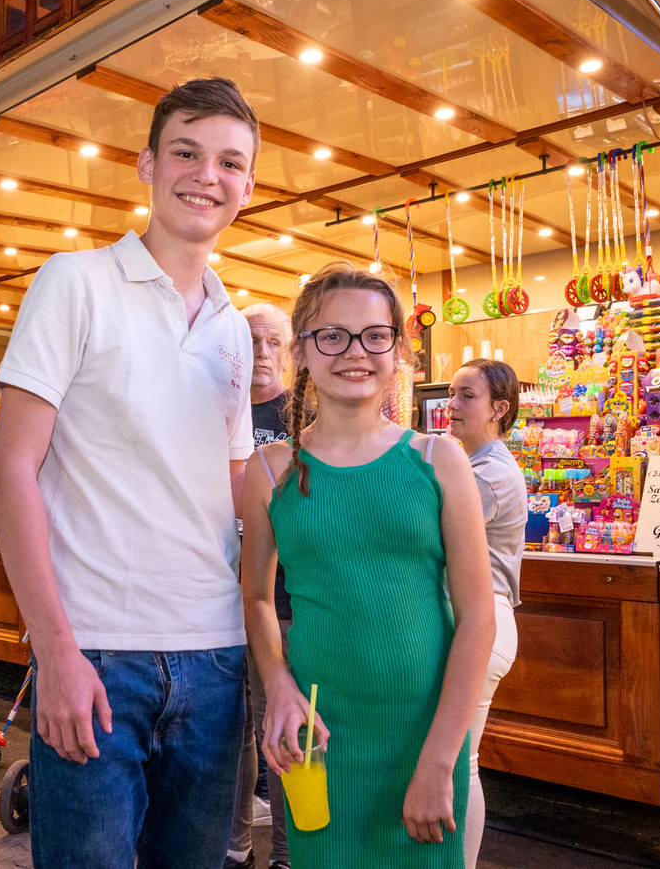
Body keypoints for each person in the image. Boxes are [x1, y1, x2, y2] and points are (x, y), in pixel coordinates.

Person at [0, 76, 258, 869]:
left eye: (230, 162)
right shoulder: (74, 281)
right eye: (186, 152)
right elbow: (11, 472)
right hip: (98, 653)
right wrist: (56, 651)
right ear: (146, 164)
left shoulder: (234, 328)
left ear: (248, 184)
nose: (207, 175)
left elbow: (242, 489)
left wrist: (363, 479)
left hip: (216, 657)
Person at [242, 264, 495, 868]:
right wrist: (276, 685)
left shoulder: (439, 462)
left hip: (421, 734)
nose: (355, 352)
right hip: (319, 734)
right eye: (332, 336)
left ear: (398, 350)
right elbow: (255, 597)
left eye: (374, 336)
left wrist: (441, 758)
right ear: (302, 351)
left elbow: (478, 618)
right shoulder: (271, 470)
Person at [446, 359, 527, 869]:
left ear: (499, 409)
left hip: (482, 622)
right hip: (475, 622)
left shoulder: (490, 474)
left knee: (458, 763)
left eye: (466, 396)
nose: (452, 405)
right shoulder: (471, 464)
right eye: (452, 394)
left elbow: (425, 531)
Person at [228, 302, 294, 869]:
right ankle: (234, 841)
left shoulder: (303, 415)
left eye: (275, 342)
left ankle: (289, 853)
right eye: (253, 341)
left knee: (278, 719)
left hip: (286, 598)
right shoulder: (218, 409)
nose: (264, 354)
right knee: (233, 728)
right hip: (217, 590)